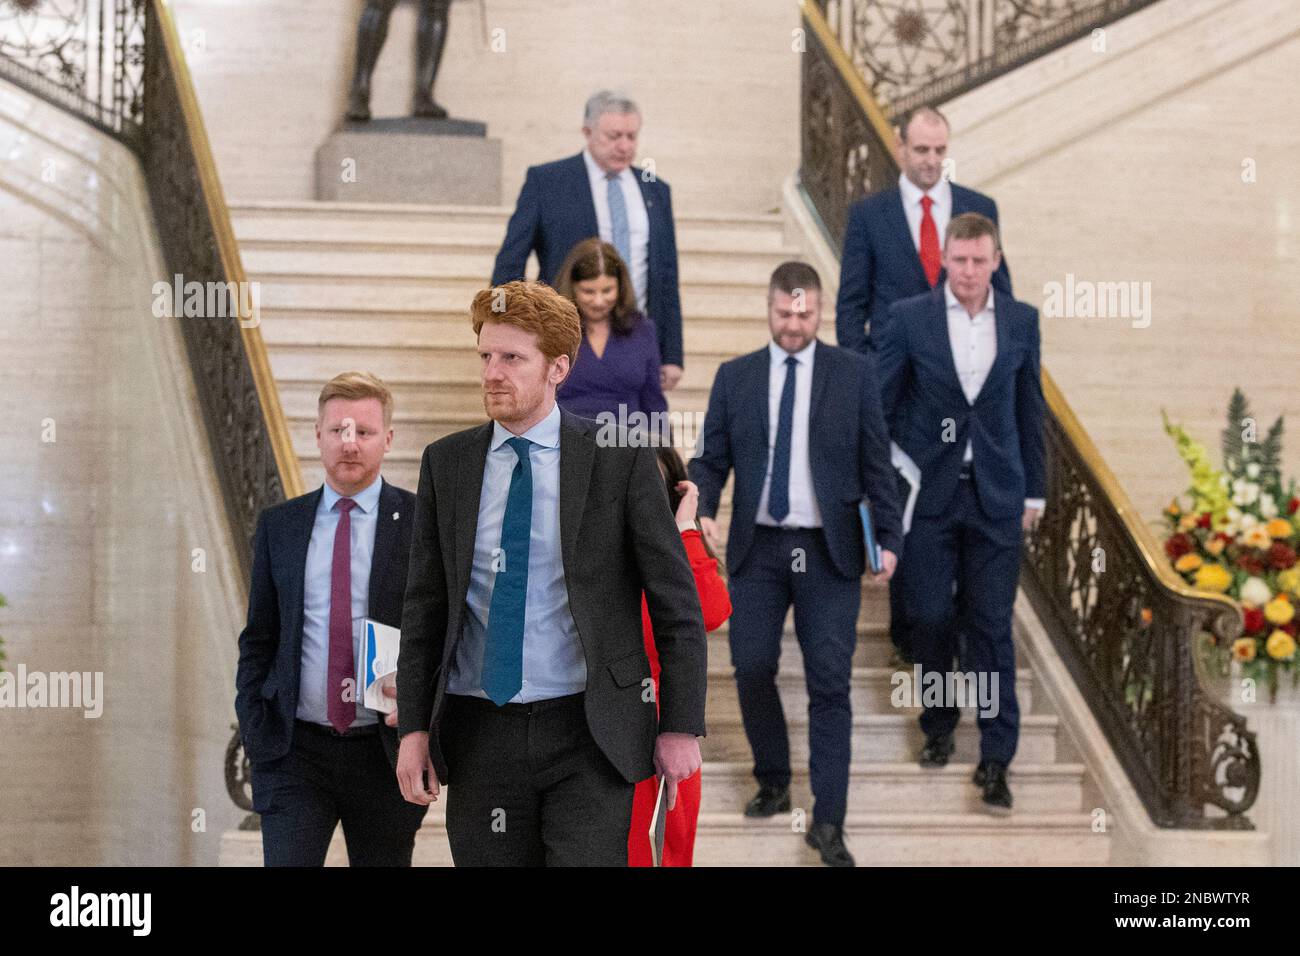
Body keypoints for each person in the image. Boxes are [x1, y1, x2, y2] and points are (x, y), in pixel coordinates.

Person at [394, 280, 708, 866]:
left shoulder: (621, 457)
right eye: (486, 356)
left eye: (512, 358)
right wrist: (413, 728)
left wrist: (681, 724)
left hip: (589, 733)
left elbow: (676, 603)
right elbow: (425, 608)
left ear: (558, 367)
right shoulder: (448, 464)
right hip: (479, 731)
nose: (493, 372)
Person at [689, 261, 902, 867]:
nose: (793, 324)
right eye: (784, 313)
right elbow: (711, 460)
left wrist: (889, 538)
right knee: (751, 666)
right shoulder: (737, 378)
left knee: (830, 683)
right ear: (769, 307)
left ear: (821, 311)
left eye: (805, 315)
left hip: (829, 550)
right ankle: (774, 777)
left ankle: (829, 823)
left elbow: (876, 465)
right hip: (759, 549)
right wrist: (700, 505)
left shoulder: (855, 375)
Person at [873, 212, 1045, 815]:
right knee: (927, 616)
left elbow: (1030, 408)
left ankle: (997, 758)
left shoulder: (1022, 320)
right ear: (944, 259)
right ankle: (939, 724)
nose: (970, 271)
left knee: (992, 625)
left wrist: (1036, 494)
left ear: (996, 261)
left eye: (980, 260)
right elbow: (880, 405)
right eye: (960, 260)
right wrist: (883, 485)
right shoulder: (908, 318)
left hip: (996, 495)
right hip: (928, 496)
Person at [834, 104, 1013, 667]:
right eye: (921, 150)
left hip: (964, 400)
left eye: (940, 150)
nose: (932, 161)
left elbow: (1002, 303)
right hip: (900, 397)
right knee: (911, 510)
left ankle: (945, 637)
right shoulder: (870, 215)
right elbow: (850, 308)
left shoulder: (980, 210)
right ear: (900, 147)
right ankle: (913, 632)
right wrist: (869, 377)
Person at [234, 372, 428, 866]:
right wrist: (258, 731)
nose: (350, 443)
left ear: (387, 439)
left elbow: (446, 633)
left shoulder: (421, 523)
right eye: (337, 430)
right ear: (317, 436)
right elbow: (259, 637)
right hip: (296, 752)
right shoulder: (281, 525)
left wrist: (421, 712)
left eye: (363, 432)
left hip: (384, 754)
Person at [490, 90, 685, 391]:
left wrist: (671, 353)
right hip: (566, 336)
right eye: (614, 136)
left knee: (632, 430)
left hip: (633, 335)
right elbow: (510, 263)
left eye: (632, 136)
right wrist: (510, 332)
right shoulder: (548, 181)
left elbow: (667, 275)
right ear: (587, 132)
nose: (625, 146)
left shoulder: (655, 190)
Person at [628, 447, 732, 867]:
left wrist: (686, 526)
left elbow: (710, 611)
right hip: (609, 730)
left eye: (651, 486)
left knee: (670, 854)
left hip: (670, 729)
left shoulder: (676, 551)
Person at [553, 238, 668, 423]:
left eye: (607, 291)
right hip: (565, 441)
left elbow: (653, 404)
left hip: (628, 443)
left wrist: (663, 448)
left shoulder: (642, 330)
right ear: (571, 288)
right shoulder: (550, 331)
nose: (599, 301)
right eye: (588, 292)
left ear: (620, 287)